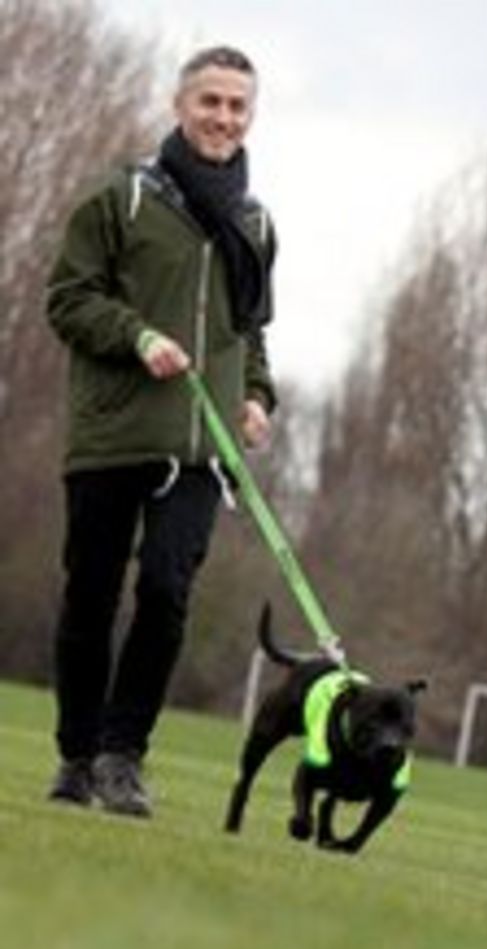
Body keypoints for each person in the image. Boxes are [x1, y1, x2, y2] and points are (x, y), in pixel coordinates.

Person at [45, 45, 277, 817]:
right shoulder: (122, 199)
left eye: (237, 105)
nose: (223, 117)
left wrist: (256, 396)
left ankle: (123, 758)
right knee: (91, 595)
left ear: (251, 116)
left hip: (200, 451)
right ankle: (77, 756)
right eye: (210, 101)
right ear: (180, 106)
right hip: (113, 435)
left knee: (167, 593)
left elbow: (252, 331)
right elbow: (69, 299)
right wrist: (137, 336)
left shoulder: (254, 222)